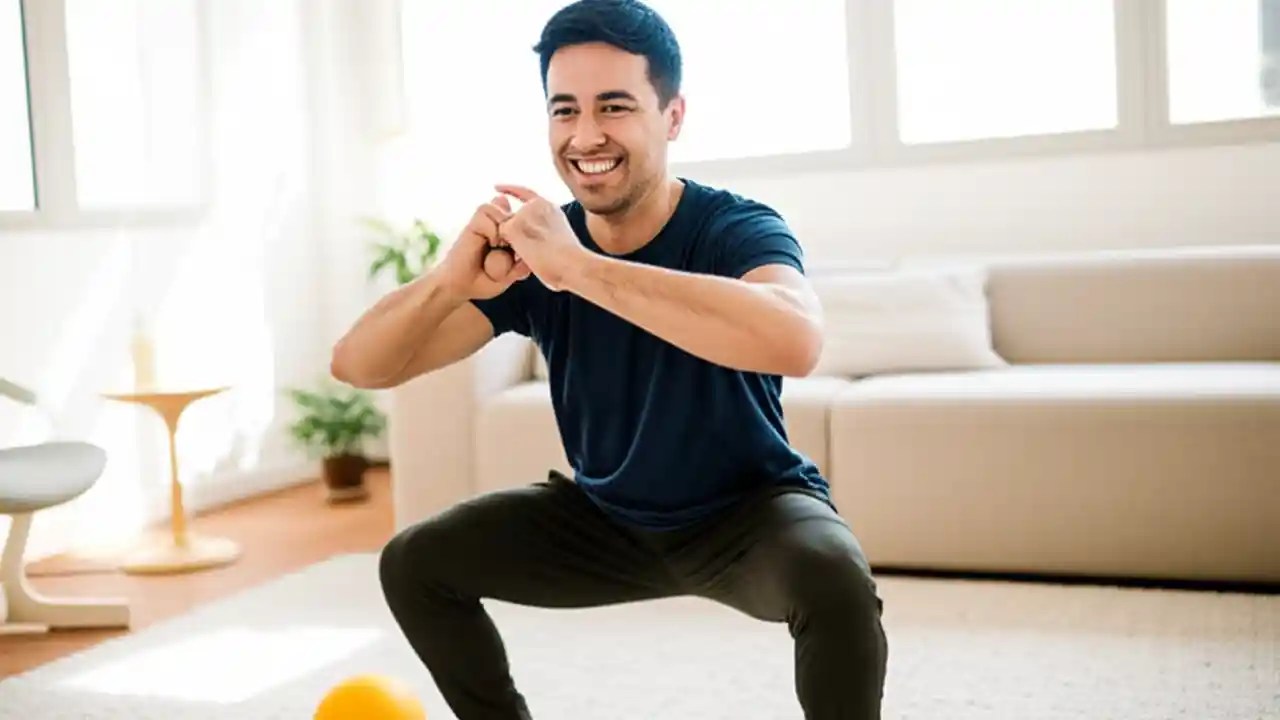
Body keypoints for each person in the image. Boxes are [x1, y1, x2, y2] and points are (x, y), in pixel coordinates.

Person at [331, 1, 888, 717]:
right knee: (416, 563)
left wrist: (582, 270)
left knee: (832, 577)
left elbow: (796, 340)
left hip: (747, 518)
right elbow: (359, 366)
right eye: (564, 111)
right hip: (603, 518)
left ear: (673, 116)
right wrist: (447, 282)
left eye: (614, 107)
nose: (585, 135)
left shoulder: (733, 227)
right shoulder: (536, 254)